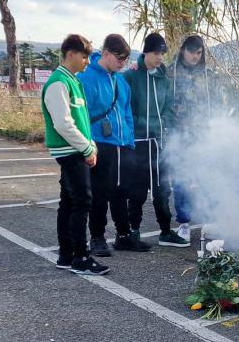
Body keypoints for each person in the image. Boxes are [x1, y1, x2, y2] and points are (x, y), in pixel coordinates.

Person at [42, 34, 108, 275]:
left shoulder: (72, 81)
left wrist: (89, 143)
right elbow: (63, 123)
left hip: (75, 149)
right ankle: (81, 257)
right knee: (82, 201)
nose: (87, 61)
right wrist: (87, 148)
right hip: (70, 151)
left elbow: (80, 122)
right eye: (84, 56)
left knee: (69, 202)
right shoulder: (59, 82)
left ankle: (66, 254)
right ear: (71, 54)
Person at [78, 34, 147, 256]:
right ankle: (97, 238)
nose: (123, 64)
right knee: (99, 193)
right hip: (99, 144)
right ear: (106, 53)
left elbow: (127, 113)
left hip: (122, 145)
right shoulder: (86, 77)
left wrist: (129, 140)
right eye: (119, 59)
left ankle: (123, 235)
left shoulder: (121, 81)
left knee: (122, 192)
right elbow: (81, 114)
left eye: (126, 59)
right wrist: (87, 144)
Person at [124, 32, 186, 248]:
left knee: (162, 189)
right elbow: (124, 108)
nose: (160, 57)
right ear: (146, 52)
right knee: (137, 191)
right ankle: (134, 230)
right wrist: (135, 128)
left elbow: (168, 107)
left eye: (162, 54)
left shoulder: (163, 78)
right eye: (157, 53)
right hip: (138, 143)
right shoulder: (130, 76)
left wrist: (165, 124)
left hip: (159, 143)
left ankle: (166, 231)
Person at [168, 34, 219, 243]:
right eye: (192, 52)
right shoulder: (170, 73)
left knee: (207, 177)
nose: (195, 56)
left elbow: (217, 102)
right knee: (182, 180)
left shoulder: (208, 76)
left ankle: (209, 222)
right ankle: (184, 224)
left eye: (199, 53)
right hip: (179, 134)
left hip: (202, 134)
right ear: (183, 50)